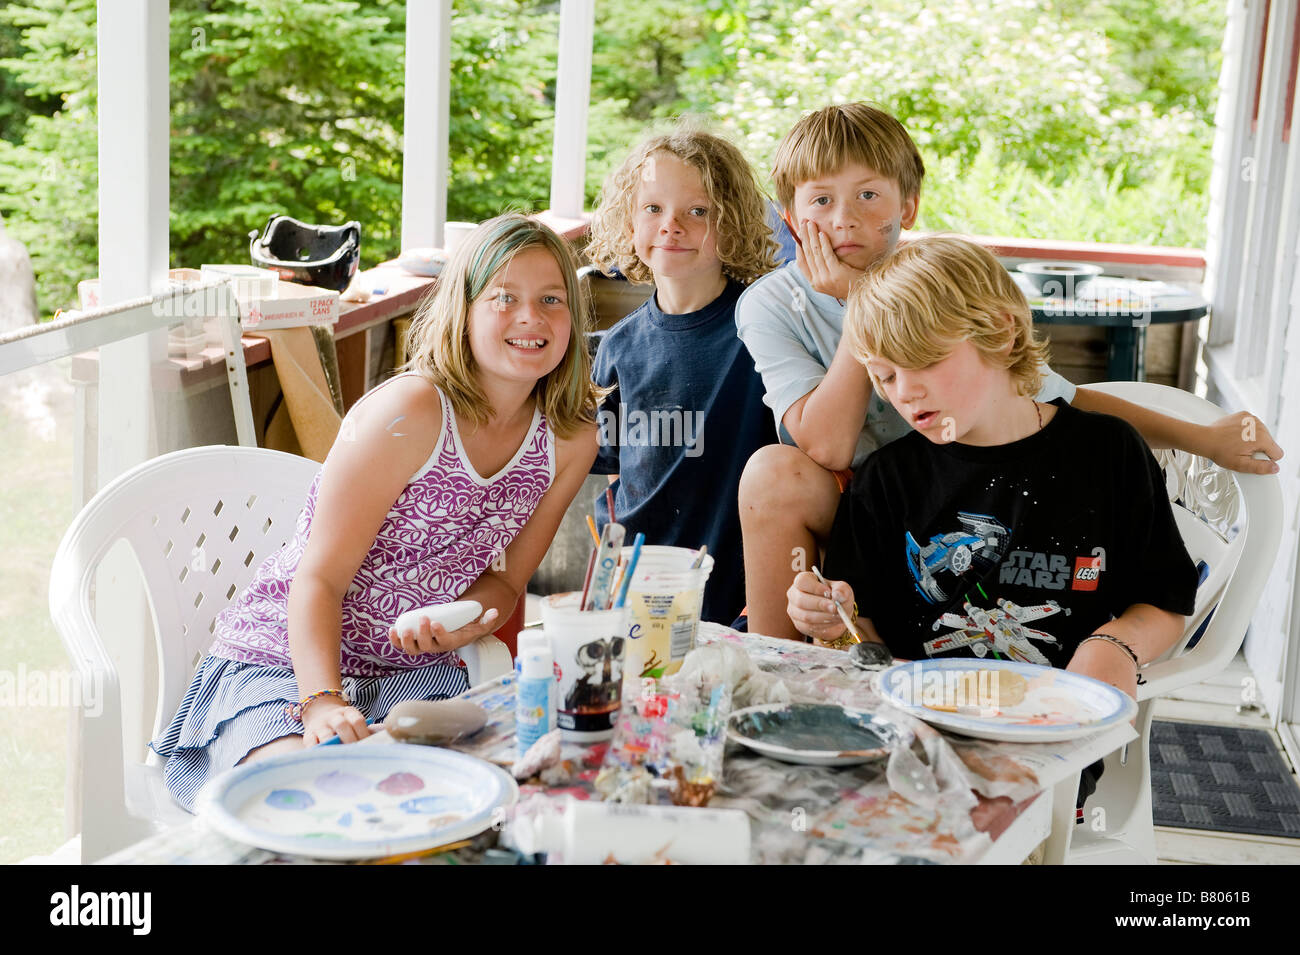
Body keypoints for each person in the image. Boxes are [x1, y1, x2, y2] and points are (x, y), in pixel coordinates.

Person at [738, 103, 1283, 640]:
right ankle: (773, 673)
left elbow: (1056, 398)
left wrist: (1202, 439)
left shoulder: (941, 285)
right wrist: (866, 309)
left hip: (978, 494)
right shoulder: (771, 304)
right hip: (876, 501)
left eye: (868, 194)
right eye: (821, 200)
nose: (843, 218)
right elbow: (827, 448)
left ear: (907, 207)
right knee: (770, 473)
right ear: (791, 216)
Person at [150, 214, 602, 810]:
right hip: (285, 665)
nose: (531, 318)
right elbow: (320, 577)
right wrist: (321, 701)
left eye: (552, 299)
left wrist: (466, 621)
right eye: (504, 298)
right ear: (463, 311)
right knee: (309, 794)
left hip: (414, 674)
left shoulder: (570, 439)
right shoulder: (410, 411)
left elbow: (507, 581)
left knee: (493, 788)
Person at [584, 124, 780, 625]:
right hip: (633, 589)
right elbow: (613, 474)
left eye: (698, 211)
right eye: (653, 209)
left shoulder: (763, 329)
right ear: (629, 220)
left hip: (736, 598)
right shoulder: (618, 345)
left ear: (733, 223)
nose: (671, 226)